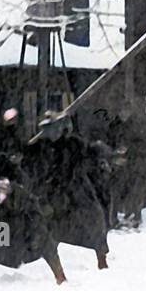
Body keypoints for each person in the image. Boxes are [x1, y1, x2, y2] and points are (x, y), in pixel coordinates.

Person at [0, 133, 66, 285]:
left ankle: (60, 276)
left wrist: (13, 184)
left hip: (19, 214)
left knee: (43, 237)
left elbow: (25, 185)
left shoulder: (4, 162)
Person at [27, 113, 110, 269]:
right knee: (48, 226)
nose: (55, 135)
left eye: (56, 130)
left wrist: (99, 152)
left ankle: (101, 258)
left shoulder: (73, 144)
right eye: (51, 131)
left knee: (95, 218)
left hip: (77, 188)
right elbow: (33, 167)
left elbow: (89, 153)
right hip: (53, 191)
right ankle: (54, 267)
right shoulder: (39, 148)